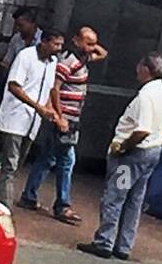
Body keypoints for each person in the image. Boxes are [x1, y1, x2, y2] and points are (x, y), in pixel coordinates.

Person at [78, 53, 162, 262]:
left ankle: (104, 241)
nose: (136, 70)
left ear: (145, 70)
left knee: (116, 196)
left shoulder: (145, 97)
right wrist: (158, 138)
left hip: (131, 156)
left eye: (139, 66)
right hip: (151, 153)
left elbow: (142, 130)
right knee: (135, 199)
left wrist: (123, 148)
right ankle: (124, 245)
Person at [20, 26, 107, 225]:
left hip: (70, 119)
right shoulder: (68, 61)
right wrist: (59, 117)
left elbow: (103, 53)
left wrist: (89, 45)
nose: (92, 48)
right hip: (64, 118)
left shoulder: (82, 59)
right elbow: (55, 89)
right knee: (66, 161)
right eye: (87, 42)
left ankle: (29, 195)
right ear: (76, 40)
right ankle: (62, 205)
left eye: (93, 43)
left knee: (48, 158)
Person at [0, 29, 65, 207]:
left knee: (16, 166)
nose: (59, 49)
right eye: (56, 44)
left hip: (33, 121)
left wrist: (51, 111)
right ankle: (5, 207)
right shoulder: (26, 56)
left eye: (61, 45)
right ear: (45, 42)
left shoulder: (53, 62)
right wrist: (38, 107)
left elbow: (48, 90)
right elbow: (14, 86)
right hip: (16, 117)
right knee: (10, 165)